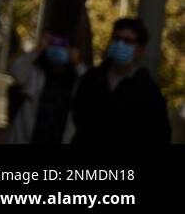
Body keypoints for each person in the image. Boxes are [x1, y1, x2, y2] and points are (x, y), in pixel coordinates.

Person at [70, 17, 169, 145]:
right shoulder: (92, 78)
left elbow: (159, 134)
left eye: (127, 41)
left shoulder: (148, 92)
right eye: (116, 39)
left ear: (140, 50)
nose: (120, 45)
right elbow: (78, 116)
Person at [5, 30, 84, 144]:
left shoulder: (76, 77)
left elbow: (90, 87)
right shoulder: (36, 71)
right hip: (29, 136)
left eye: (63, 45)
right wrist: (38, 49)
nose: (58, 48)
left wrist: (77, 63)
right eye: (53, 44)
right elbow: (16, 71)